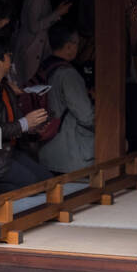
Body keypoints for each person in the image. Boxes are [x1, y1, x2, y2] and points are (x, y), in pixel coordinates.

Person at [0, 37, 53, 194]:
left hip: (8, 151)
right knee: (33, 186)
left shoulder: (3, 86)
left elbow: (14, 121)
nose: (11, 58)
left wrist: (32, 128)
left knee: (48, 181)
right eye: (8, 55)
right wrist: (24, 124)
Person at [35, 24, 95, 175]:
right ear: (69, 46)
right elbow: (86, 116)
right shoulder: (68, 74)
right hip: (71, 155)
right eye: (76, 43)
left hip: (45, 150)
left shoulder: (43, 68)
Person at [11, 0, 71, 88]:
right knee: (29, 88)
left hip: (32, 50)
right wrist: (57, 13)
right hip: (30, 51)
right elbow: (34, 26)